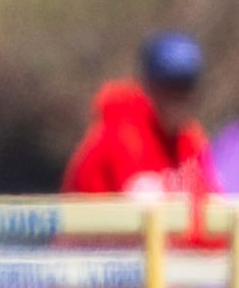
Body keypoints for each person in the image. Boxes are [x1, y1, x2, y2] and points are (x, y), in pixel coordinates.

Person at [62, 31, 219, 219]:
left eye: (186, 86)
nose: (178, 98)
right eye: (169, 87)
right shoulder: (119, 136)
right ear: (149, 87)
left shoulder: (191, 141)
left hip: (161, 247)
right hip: (93, 246)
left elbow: (209, 218)